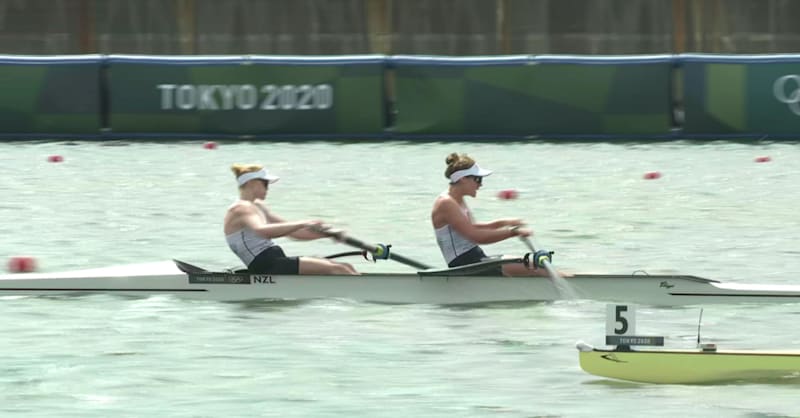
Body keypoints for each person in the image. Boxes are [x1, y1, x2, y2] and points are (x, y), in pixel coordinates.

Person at [224, 163, 358, 275]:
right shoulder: (241, 209)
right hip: (265, 265)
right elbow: (262, 231)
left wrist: (327, 234)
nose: (268, 189)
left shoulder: (258, 206)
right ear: (252, 183)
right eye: (265, 184)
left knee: (346, 267)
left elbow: (294, 232)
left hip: (276, 261)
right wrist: (303, 222)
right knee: (340, 269)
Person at [430, 153, 548, 277]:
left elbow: (472, 227)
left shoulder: (457, 199)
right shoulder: (446, 203)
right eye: (478, 179)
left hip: (477, 260)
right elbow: (476, 237)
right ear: (463, 179)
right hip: (465, 266)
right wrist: (513, 232)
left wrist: (503, 223)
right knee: (536, 267)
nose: (480, 184)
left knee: (536, 263)